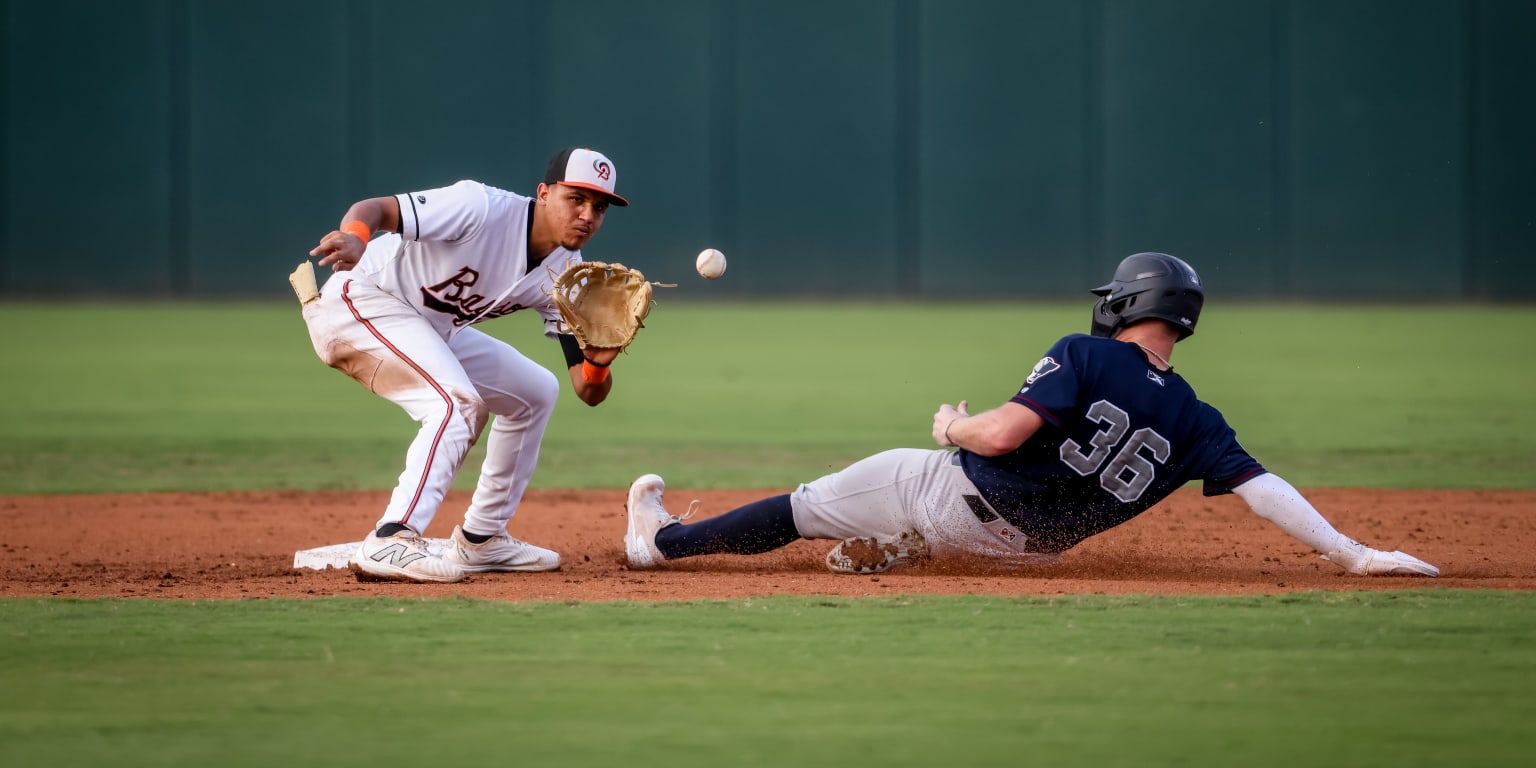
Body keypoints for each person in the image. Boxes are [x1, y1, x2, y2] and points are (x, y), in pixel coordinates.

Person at [622, 252, 1440, 578]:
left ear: (1130, 303)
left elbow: (1006, 434)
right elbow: (1265, 490)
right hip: (1029, 556)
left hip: (953, 495)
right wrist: (1353, 552)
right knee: (930, 501)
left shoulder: (1086, 354)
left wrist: (951, 427)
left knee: (808, 503)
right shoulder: (1197, 418)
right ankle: (906, 549)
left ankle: (659, 544)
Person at [302, 147, 631, 583]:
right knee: (456, 405)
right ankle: (390, 537)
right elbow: (377, 209)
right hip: (360, 301)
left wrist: (598, 362)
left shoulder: (567, 275)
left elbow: (586, 391)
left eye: (599, 207)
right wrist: (358, 237)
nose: (588, 215)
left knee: (536, 391)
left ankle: (482, 538)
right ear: (545, 193)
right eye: (577, 199)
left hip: (430, 327)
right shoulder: (480, 208)